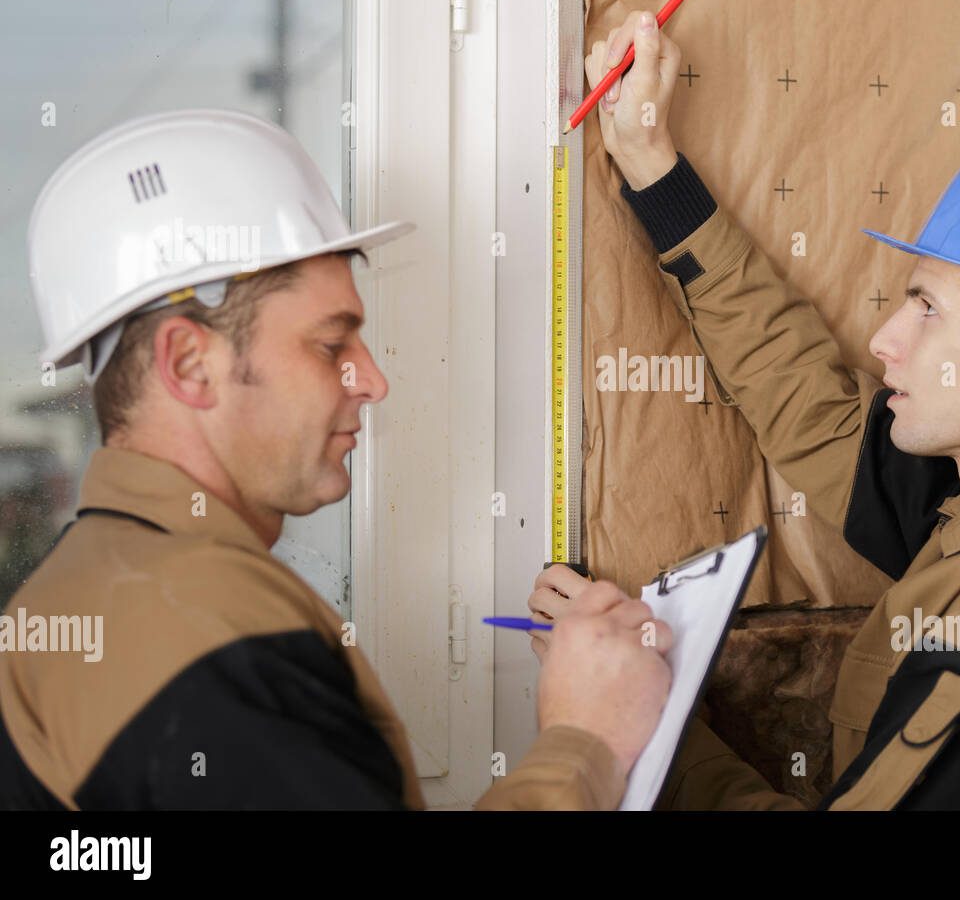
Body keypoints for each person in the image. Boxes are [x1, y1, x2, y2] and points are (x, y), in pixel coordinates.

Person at [530, 10, 960, 809]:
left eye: (925, 308)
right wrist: (649, 163)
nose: (884, 340)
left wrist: (630, 725)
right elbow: (807, 401)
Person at [0, 109, 670, 810]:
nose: (372, 381)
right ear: (190, 363)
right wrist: (585, 739)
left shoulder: (95, 591)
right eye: (330, 345)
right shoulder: (197, 632)